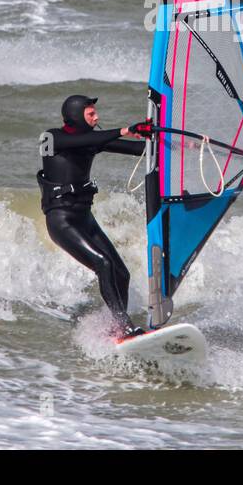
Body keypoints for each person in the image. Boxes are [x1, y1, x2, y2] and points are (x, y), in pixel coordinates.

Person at [38, 94, 154, 339]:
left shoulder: (89, 141)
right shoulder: (51, 137)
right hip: (62, 220)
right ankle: (124, 326)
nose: (97, 117)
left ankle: (116, 326)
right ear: (75, 115)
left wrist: (170, 144)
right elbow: (84, 140)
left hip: (84, 218)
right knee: (103, 264)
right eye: (91, 113)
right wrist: (125, 129)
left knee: (122, 272)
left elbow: (137, 149)